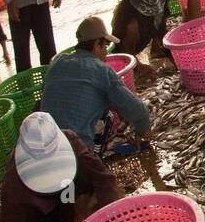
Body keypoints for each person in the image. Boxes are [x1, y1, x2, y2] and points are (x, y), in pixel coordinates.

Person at [0, 112, 120, 222]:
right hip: (41, 211)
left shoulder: (70, 139)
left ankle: (80, 220)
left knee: (84, 173)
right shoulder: (13, 183)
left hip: (68, 191)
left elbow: (103, 177)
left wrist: (113, 220)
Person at [40, 17, 151, 156]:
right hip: (77, 154)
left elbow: (44, 94)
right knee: (108, 114)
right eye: (105, 46)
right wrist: (143, 131)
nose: (106, 52)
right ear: (97, 44)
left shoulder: (57, 62)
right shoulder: (101, 69)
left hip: (42, 147)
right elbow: (137, 110)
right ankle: (96, 157)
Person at [110, 0, 167, 81]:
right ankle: (132, 63)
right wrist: (139, 66)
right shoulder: (124, 10)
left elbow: (163, 34)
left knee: (158, 21)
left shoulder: (157, 4)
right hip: (123, 48)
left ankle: (155, 51)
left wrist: (178, 62)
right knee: (132, 27)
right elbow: (119, 42)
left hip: (144, 36)